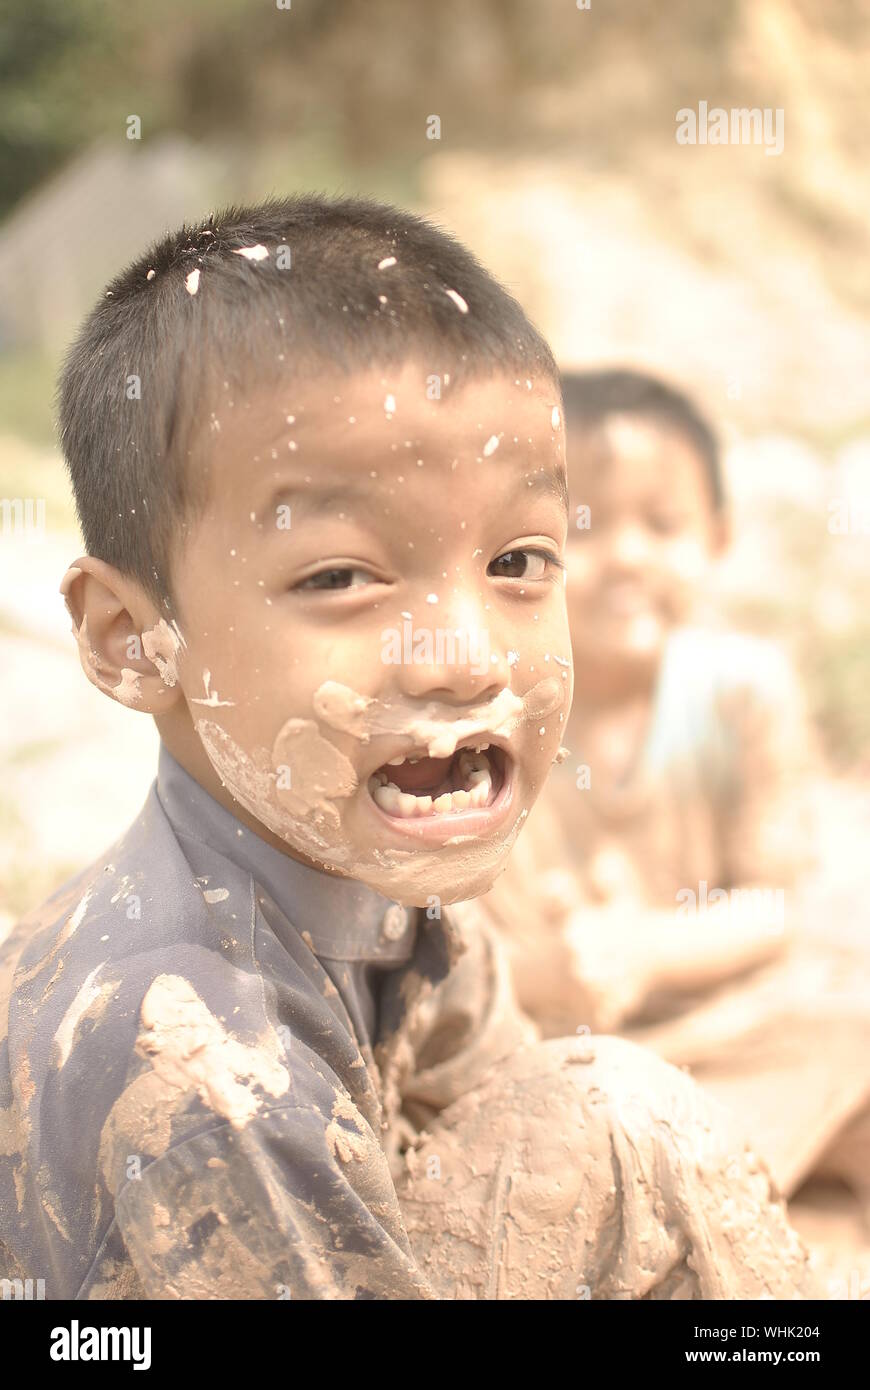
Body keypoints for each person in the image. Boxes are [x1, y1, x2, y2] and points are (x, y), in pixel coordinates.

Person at [0, 207, 818, 1300]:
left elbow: (501, 1086)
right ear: (132, 640)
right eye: (340, 576)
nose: (464, 657)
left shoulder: (389, 884)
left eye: (519, 558)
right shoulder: (203, 1058)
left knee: (615, 1107)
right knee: (629, 1114)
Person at [481, 369, 870, 1244]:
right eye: (586, 525)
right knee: (545, 1102)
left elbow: (774, 908)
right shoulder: (490, 711)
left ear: (719, 537)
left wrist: (650, 948)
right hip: (552, 1051)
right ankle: (690, 1182)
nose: (627, 554)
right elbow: (460, 964)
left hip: (729, 1030)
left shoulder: (743, 692)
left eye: (663, 524)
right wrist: (556, 973)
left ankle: (679, 1177)